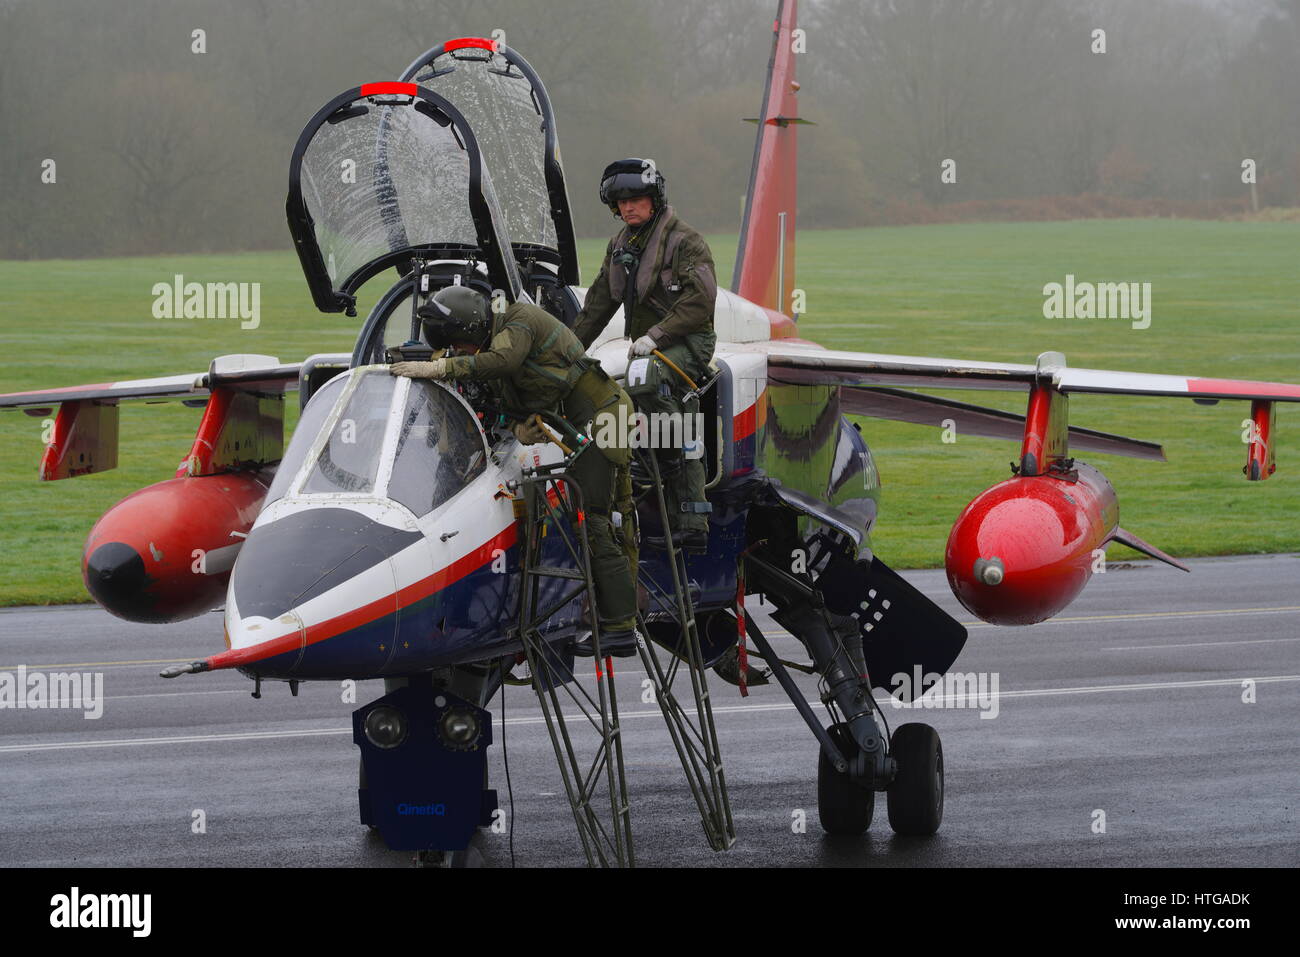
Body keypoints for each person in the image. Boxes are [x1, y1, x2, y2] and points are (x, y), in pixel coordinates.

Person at [391, 284, 639, 655]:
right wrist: (519, 427)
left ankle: (620, 629)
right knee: (592, 520)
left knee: (595, 521)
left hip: (606, 417)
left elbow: (503, 362)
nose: (462, 355)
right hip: (588, 422)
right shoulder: (497, 341)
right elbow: (511, 400)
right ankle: (612, 620)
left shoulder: (518, 322)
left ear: (471, 330)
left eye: (460, 348)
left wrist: (440, 368)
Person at [572, 158, 717, 551]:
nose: (628, 208)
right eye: (620, 202)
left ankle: (666, 456)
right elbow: (596, 307)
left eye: (636, 199)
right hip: (650, 347)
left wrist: (656, 335)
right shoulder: (620, 245)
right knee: (641, 380)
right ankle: (680, 492)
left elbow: (700, 302)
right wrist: (566, 352)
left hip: (689, 341)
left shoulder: (685, 241)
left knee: (642, 376)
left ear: (654, 199)